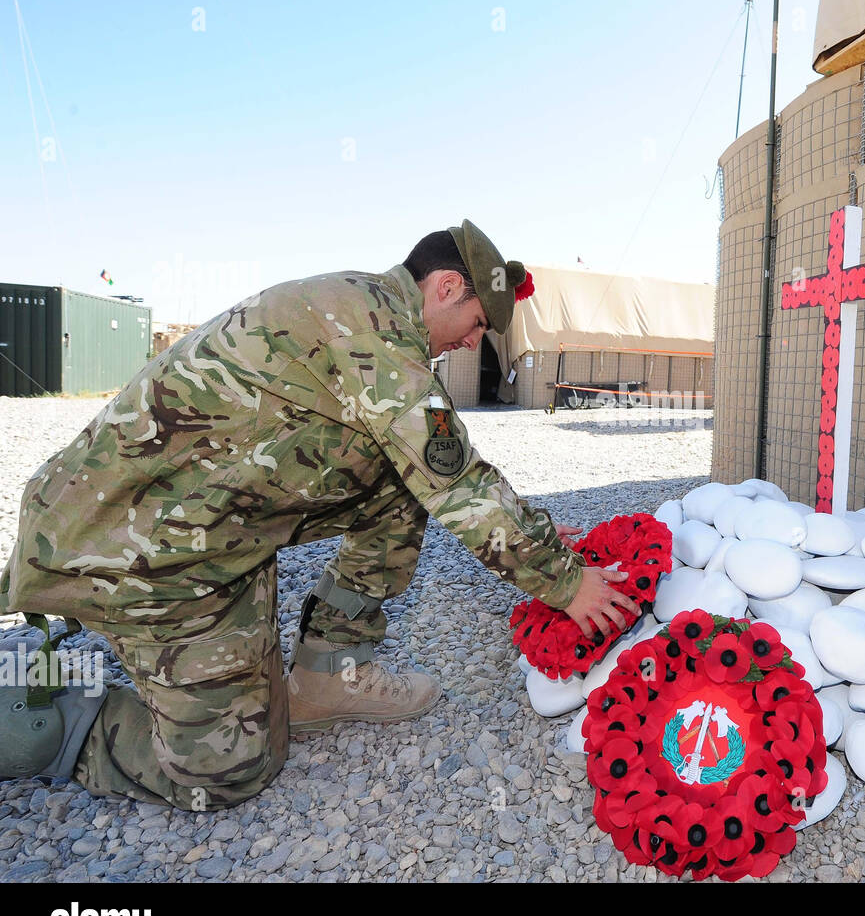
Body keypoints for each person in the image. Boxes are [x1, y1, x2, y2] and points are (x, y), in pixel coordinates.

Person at [0, 220, 640, 811]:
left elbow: (440, 463)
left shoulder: (375, 319)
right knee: (229, 771)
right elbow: (458, 482)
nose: (476, 340)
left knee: (401, 487)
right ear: (447, 286)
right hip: (132, 550)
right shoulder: (369, 332)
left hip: (216, 536)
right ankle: (44, 724)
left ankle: (325, 677)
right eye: (477, 321)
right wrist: (565, 580)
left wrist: (526, 531)